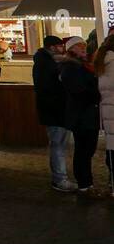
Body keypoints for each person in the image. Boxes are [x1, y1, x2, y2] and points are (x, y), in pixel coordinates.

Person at [57, 35, 101, 194]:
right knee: (84, 150)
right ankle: (84, 184)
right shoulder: (70, 67)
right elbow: (78, 91)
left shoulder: (82, 65)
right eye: (79, 46)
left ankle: (87, 183)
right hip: (81, 115)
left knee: (88, 149)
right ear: (71, 49)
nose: (83, 48)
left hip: (88, 114)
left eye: (84, 45)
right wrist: (97, 94)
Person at [33, 34, 74, 191]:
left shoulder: (46, 61)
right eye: (59, 46)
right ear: (52, 47)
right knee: (58, 145)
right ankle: (59, 179)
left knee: (59, 145)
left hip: (54, 110)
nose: (62, 49)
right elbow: (49, 87)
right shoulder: (46, 64)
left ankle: (59, 177)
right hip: (55, 110)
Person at [94, 30, 114, 192]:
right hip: (112, 109)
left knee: (112, 148)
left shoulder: (104, 59)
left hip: (108, 110)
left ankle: (112, 182)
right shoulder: (112, 61)